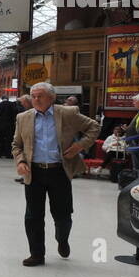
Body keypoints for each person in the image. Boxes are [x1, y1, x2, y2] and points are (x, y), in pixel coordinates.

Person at [13, 82, 101, 267]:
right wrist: (21, 161)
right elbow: (17, 145)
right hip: (34, 172)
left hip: (59, 171)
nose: (36, 99)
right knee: (32, 215)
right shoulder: (23, 118)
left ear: (51, 98)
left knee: (62, 215)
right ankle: (37, 254)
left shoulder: (67, 113)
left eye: (40, 96)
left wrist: (80, 145)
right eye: (33, 96)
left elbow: (94, 127)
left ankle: (62, 239)